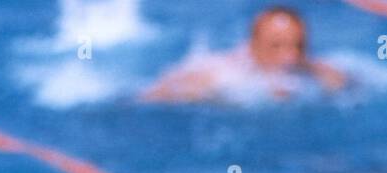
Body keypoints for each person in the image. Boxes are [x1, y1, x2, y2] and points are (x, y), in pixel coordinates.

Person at [142, 5, 349, 104]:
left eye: (298, 46)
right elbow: (153, 97)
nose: (290, 57)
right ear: (253, 46)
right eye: (276, 47)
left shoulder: (314, 71)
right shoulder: (221, 74)